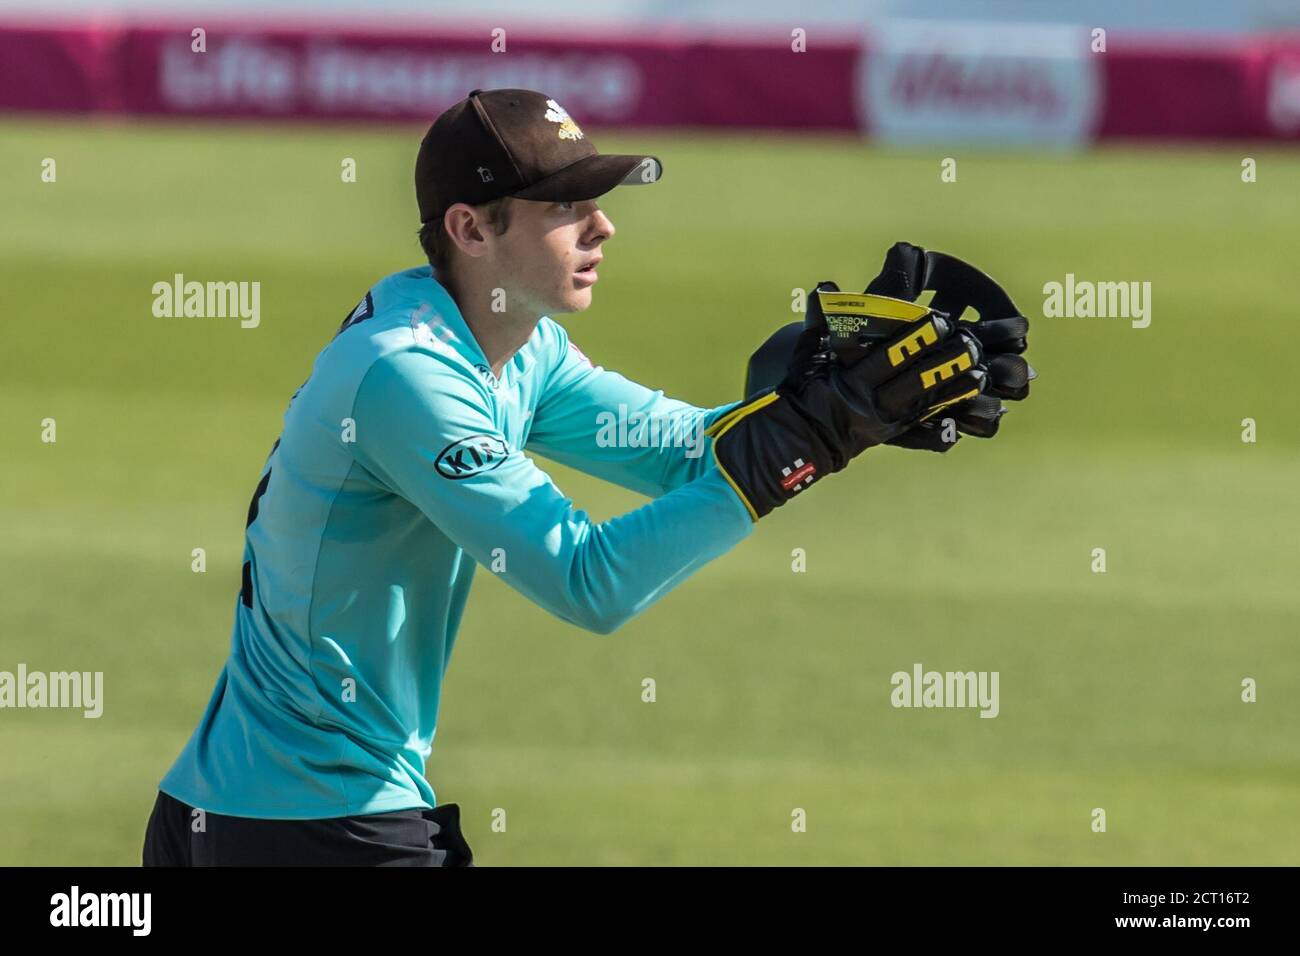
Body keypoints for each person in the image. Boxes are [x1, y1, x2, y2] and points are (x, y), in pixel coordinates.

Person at [143, 88, 1010, 866]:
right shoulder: (407, 375)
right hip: (310, 826)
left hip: (255, 810)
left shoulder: (508, 341)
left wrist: (836, 401)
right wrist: (807, 437)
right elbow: (586, 581)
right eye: (564, 206)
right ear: (470, 228)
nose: (602, 227)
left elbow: (686, 452)